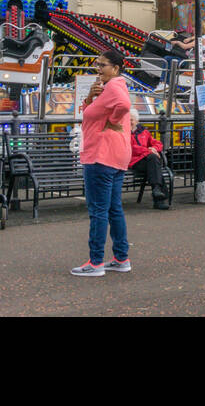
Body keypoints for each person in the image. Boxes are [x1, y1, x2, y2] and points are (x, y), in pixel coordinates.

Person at [70, 48, 132, 276]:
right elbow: (93, 113)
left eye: (102, 65)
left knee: (98, 210)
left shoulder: (114, 86)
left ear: (115, 68)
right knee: (114, 209)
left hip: (100, 156)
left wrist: (113, 121)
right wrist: (90, 98)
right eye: (97, 64)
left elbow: (123, 106)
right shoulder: (113, 87)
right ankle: (121, 258)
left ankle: (95, 262)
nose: (98, 69)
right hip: (115, 156)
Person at [128, 109, 169, 209]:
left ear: (137, 121)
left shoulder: (144, 132)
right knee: (154, 161)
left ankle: (156, 190)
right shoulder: (123, 133)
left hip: (147, 161)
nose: (129, 122)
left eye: (131, 120)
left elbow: (158, 143)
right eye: (126, 119)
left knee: (153, 163)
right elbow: (131, 148)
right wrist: (149, 151)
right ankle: (159, 197)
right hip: (134, 162)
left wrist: (154, 148)